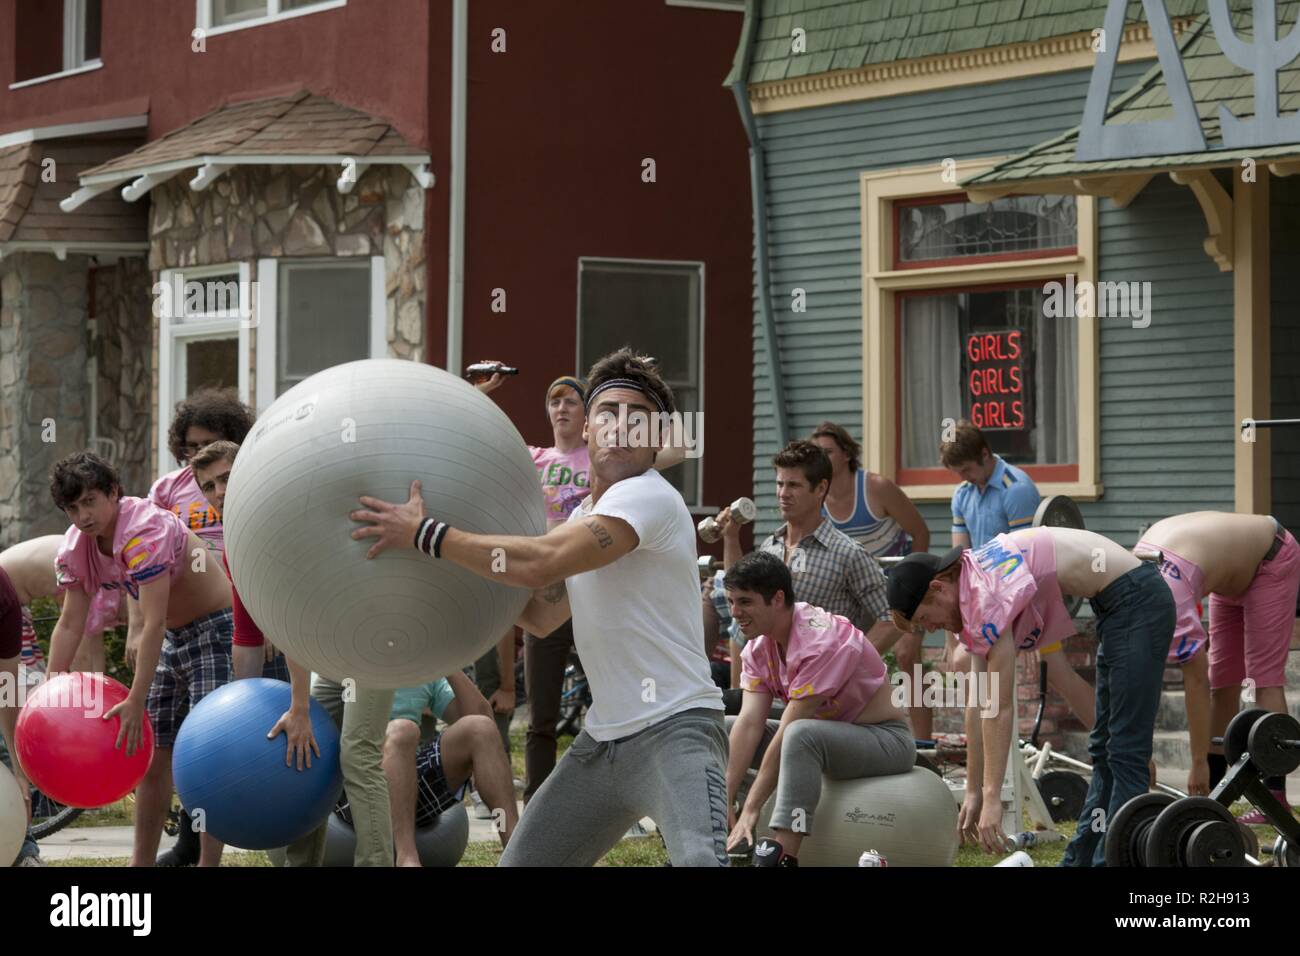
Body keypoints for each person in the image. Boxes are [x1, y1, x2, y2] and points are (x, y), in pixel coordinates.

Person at [351, 348, 729, 866]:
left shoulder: (648, 496)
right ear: (588, 429)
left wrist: (427, 535)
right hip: (604, 742)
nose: (622, 427)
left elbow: (540, 561)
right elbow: (541, 614)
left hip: (678, 728)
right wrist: (439, 571)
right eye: (609, 413)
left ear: (658, 439)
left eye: (639, 419)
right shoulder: (586, 513)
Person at [887, 526, 1174, 867]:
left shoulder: (985, 594)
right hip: (1117, 605)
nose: (932, 629)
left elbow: (999, 709)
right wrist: (974, 791)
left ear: (938, 588)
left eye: (925, 618)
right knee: (1103, 748)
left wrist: (993, 798)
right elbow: (978, 704)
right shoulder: (973, 588)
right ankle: (1080, 861)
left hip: (1138, 598)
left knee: (1125, 752)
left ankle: (1117, 859)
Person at [46, 451, 235, 868]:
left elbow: (151, 623)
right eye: (73, 508)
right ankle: (141, 863)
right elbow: (70, 623)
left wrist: (135, 698)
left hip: (215, 630)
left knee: (208, 752)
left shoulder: (144, 529)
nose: (83, 515)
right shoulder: (78, 545)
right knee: (151, 755)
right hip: (172, 636)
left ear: (113, 493)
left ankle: (209, 864)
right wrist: (50, 689)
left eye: (90, 501)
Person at [723, 552, 913, 867]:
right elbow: (749, 723)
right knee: (723, 728)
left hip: (885, 739)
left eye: (744, 602)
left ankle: (782, 855)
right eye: (731, 601)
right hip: (825, 739)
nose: (734, 612)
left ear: (777, 599)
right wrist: (724, 798)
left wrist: (753, 806)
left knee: (800, 734)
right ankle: (713, 830)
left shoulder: (821, 639)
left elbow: (790, 730)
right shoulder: (758, 646)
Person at [140, 387, 253, 865]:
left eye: (206, 443)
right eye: (188, 446)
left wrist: (258, 625)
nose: (195, 453)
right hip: (176, 627)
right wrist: (138, 626)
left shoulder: (242, 482)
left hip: (231, 619)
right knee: (166, 740)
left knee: (213, 739)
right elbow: (143, 556)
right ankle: (183, 844)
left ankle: (206, 852)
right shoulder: (168, 489)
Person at [1135, 512, 1299, 815]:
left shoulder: (1169, 598)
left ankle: (1274, 796)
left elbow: (1195, 680)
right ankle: (1213, 794)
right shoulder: (1125, 591)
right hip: (1226, 574)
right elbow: (1135, 682)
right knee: (1223, 680)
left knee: (1261, 679)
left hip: (1270, 557)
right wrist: (1139, 755)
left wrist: (1197, 763)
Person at [940, 419, 1094, 740]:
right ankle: (987, 761)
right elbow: (960, 562)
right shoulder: (962, 493)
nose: (963, 477)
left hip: (1029, 593)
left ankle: (1113, 743)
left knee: (1058, 673)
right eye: (957, 472)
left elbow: (1025, 562)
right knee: (971, 673)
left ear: (985, 454)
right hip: (985, 599)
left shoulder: (1017, 489)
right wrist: (952, 634)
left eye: (967, 469)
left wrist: (1021, 623)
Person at [719, 440, 899, 649]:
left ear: (821, 488)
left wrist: (849, 660)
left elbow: (893, 618)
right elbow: (739, 594)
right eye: (780, 484)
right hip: (771, 668)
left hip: (823, 667)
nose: (783, 494)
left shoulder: (847, 553)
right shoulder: (770, 547)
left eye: (793, 485)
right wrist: (731, 538)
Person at [383, 671, 519, 864]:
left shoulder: (421, 668)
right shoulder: (347, 664)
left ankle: (515, 848)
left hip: (409, 784)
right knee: (402, 730)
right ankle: (407, 859)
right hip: (358, 786)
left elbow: (483, 717)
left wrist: (449, 664)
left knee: (481, 728)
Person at [811, 421, 929, 557]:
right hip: (851, 570)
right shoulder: (813, 496)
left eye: (828, 452)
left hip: (894, 568)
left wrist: (915, 569)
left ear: (847, 454)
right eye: (816, 454)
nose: (821, 459)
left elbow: (920, 533)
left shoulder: (877, 487)